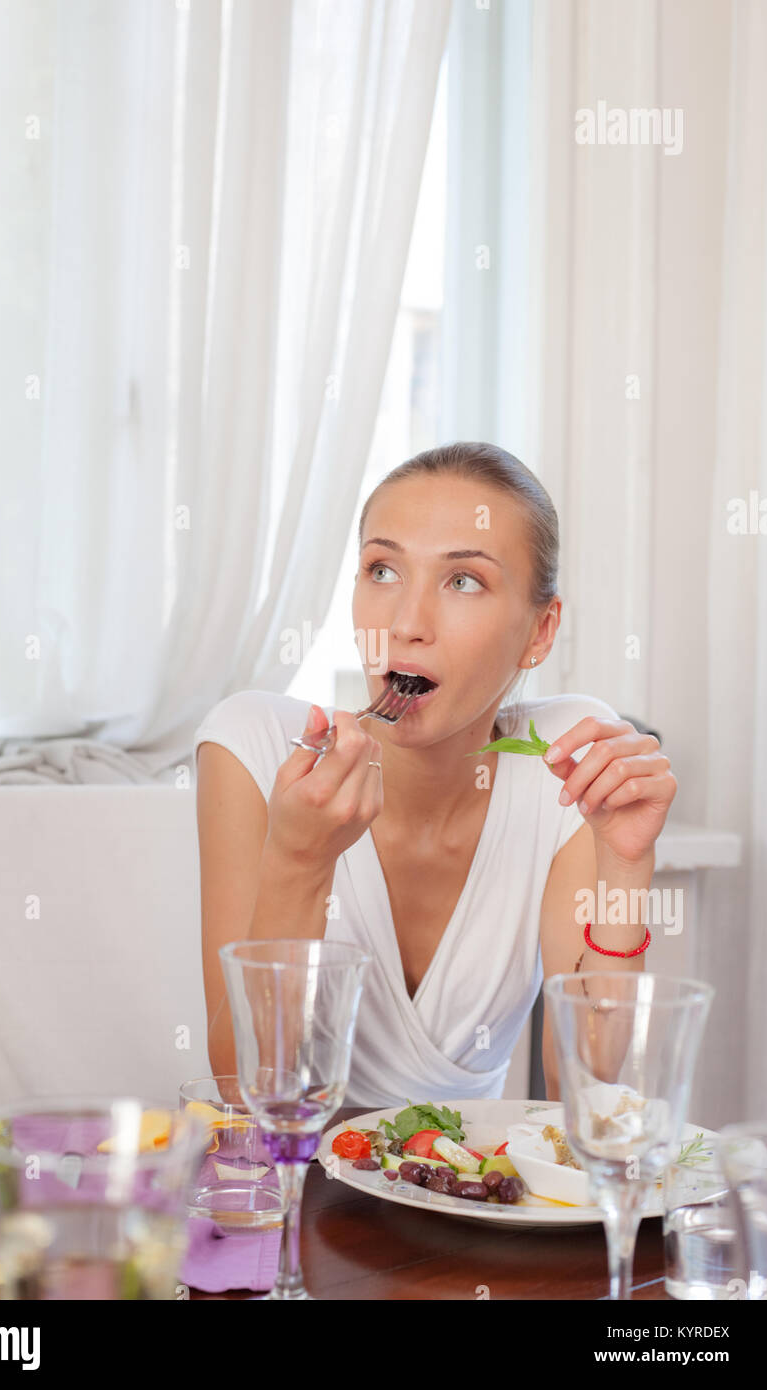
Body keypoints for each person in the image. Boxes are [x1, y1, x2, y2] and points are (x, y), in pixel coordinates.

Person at [193, 442, 676, 1106]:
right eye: (383, 571)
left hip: (464, 1192)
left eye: (463, 581)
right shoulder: (250, 743)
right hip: (295, 1194)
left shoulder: (563, 762)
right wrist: (299, 860)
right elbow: (242, 1089)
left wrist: (624, 868)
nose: (406, 623)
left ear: (540, 631)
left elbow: (591, 1095)